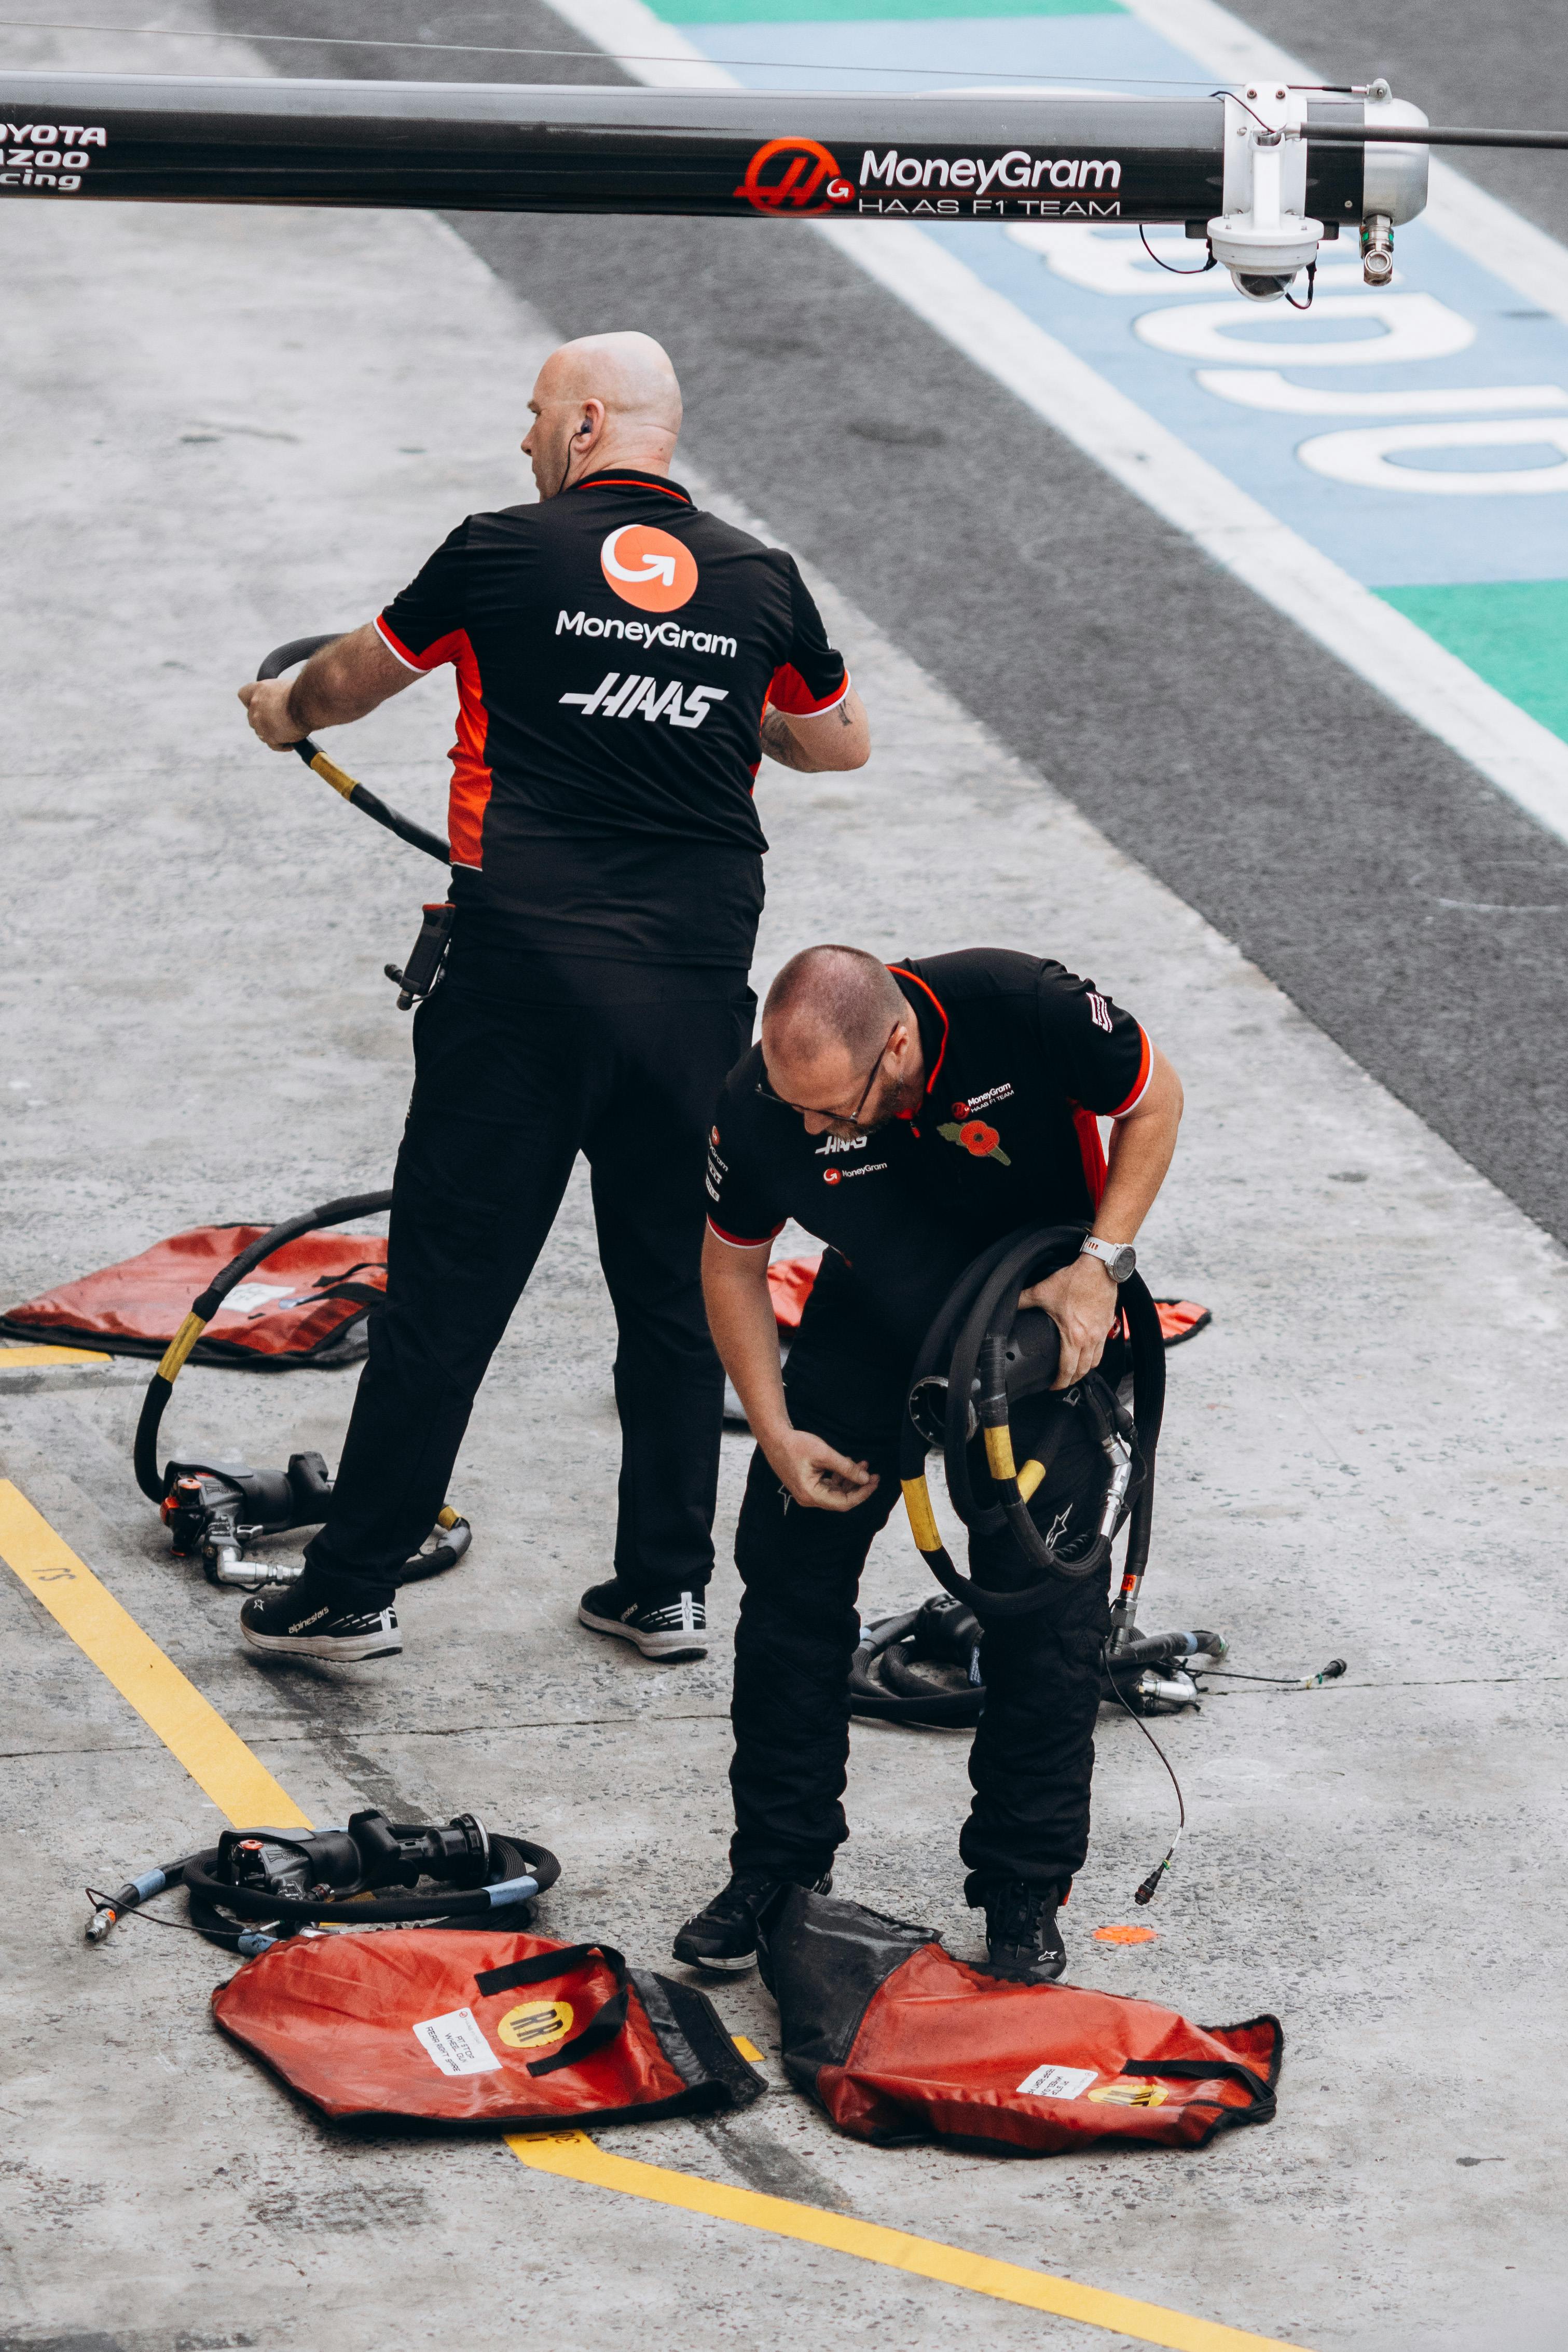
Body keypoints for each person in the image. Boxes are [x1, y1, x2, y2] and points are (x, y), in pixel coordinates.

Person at [235, 332, 869, 1666]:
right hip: (694, 1001)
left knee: (449, 1292)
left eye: (532, 416)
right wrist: (706, 686)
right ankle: (665, 1588)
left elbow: (360, 673)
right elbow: (836, 742)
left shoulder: (499, 550)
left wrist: (287, 709)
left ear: (585, 424)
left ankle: (353, 1588)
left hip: (517, 983)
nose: (521, 439)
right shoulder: (760, 576)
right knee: (681, 1284)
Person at [678, 942, 1182, 1982]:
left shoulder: (1014, 1006)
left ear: (897, 1042)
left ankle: (1020, 1885)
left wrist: (1101, 1265)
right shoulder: (765, 1099)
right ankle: (775, 1871)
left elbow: (1154, 1094)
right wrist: (774, 1431)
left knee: (1041, 1604)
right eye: (796, 1107)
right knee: (785, 1582)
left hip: (1039, 1322)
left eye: (832, 1110)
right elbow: (731, 1259)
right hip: (874, 1317)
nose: (811, 1128)